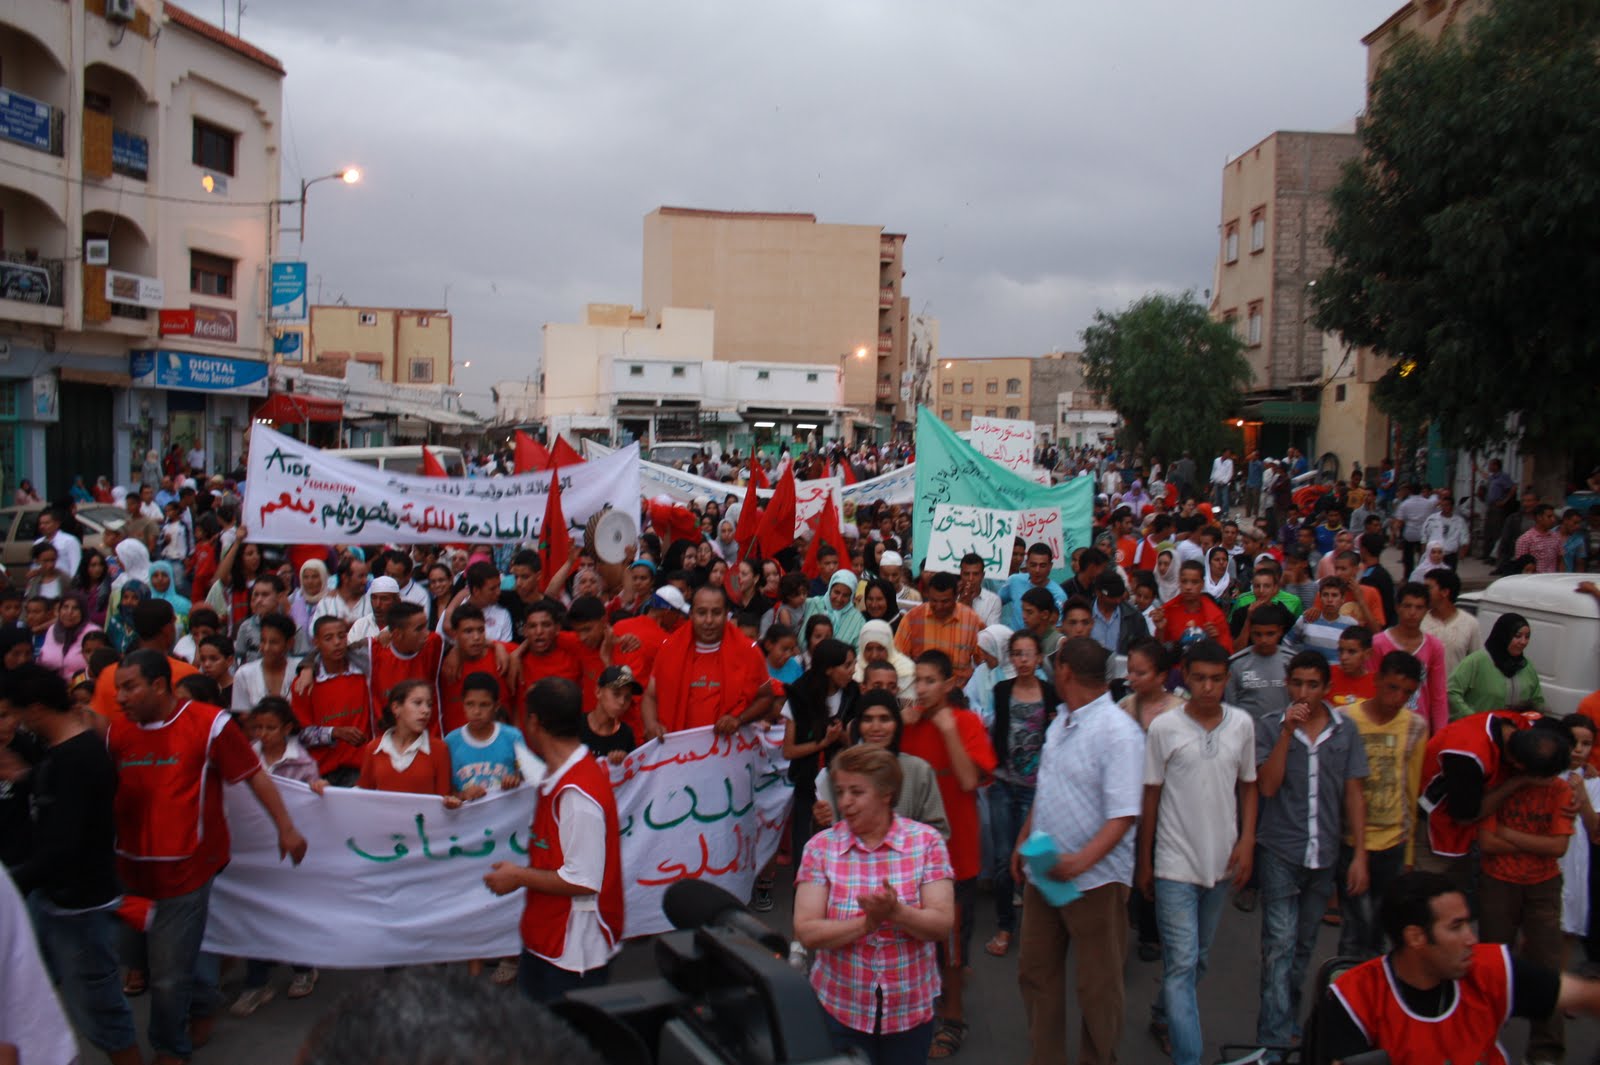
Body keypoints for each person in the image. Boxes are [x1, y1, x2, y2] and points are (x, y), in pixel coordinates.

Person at [108, 648, 308, 1063]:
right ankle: (202, 1004)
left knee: (167, 974)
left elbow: (253, 775)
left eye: (130, 688)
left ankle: (170, 1048)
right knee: (141, 961)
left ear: (159, 685)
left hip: (188, 871)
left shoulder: (210, 724)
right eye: (117, 690)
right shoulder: (116, 733)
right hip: (130, 873)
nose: (121, 698)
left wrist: (286, 828)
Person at [1012, 638, 1144, 1065]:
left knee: (1098, 987)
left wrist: (1080, 862)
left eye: (1055, 664)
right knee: (1036, 972)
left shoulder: (1119, 731)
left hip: (1096, 881)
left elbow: (1124, 815)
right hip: (1046, 870)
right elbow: (1048, 787)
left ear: (1066, 671)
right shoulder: (1061, 721)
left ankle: (1098, 1058)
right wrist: (1023, 840)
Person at [4, 663, 140, 1065]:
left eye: (13, 712)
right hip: (64, 900)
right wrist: (27, 779)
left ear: (35, 710)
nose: (14, 723)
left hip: (81, 904)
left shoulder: (77, 757)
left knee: (101, 1008)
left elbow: (65, 841)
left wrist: (11, 883)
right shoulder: (61, 753)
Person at [1320, 871, 1600, 1065]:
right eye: (1456, 927)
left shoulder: (1491, 968)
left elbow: (1586, 995)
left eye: (1468, 923)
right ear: (1416, 937)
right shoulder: (1355, 998)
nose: (1471, 938)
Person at [793, 744, 955, 1065]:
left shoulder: (926, 843)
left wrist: (897, 913)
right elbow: (807, 931)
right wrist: (867, 924)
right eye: (840, 791)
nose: (844, 802)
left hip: (909, 1010)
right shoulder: (820, 848)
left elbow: (941, 923)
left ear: (886, 795)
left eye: (856, 792)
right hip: (840, 1007)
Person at [1136, 639, 1257, 1065]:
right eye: (1200, 678)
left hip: (1221, 862)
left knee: (1197, 961)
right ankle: (1189, 1057)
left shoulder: (1242, 724)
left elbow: (1249, 786)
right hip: (1173, 862)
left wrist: (1246, 842)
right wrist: (1145, 861)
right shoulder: (1165, 728)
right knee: (1184, 962)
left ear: (1227, 680)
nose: (1208, 687)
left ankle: (1162, 1013)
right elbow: (1150, 795)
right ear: (1184, 677)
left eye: (1217, 679)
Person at [1253, 650, 1369, 1051]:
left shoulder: (1345, 731)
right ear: (1288, 684)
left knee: (1302, 947)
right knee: (1279, 945)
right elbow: (1267, 787)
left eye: (1313, 685)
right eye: (1297, 683)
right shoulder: (1270, 727)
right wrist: (1287, 733)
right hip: (1280, 851)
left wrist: (1361, 855)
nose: (1304, 692)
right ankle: (1273, 1040)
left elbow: (1354, 793)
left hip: (1325, 854)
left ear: (1327, 688)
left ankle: (1286, 1019)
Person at [484, 677, 625, 1003]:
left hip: (572, 955)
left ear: (534, 722)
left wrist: (516, 876)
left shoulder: (578, 795)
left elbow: (585, 879)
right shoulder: (561, 772)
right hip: (545, 940)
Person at [900, 650, 996, 1057]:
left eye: (929, 681)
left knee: (952, 943)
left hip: (955, 854)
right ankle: (919, 1006)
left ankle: (953, 1018)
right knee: (911, 935)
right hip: (908, 854)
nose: (921, 689)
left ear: (949, 684)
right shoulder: (904, 724)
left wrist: (948, 730)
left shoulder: (966, 722)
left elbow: (970, 779)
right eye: (916, 680)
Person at [1476, 724, 1576, 1065]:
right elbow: (1486, 840)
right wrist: (1515, 786)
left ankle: (1546, 1053)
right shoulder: (1502, 778)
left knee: (1547, 968)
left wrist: (1508, 832)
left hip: (1543, 886)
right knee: (1490, 965)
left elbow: (1558, 847)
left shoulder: (1561, 790)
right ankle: (1479, 1042)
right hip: (1497, 883)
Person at [230, 697, 323, 1016]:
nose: (264, 734)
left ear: (287, 728)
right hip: (256, 852)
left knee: (290, 911)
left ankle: (303, 967)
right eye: (258, 728)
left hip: (289, 850)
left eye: (271, 728)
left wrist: (318, 788)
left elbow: (314, 798)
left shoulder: (302, 762)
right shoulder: (246, 757)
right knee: (256, 912)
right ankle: (257, 981)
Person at [1339, 651, 1428, 960]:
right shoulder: (1347, 719)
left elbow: (1411, 788)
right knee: (1355, 927)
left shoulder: (1415, 726)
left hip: (1393, 841)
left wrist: (1409, 853)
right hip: (1352, 840)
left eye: (1407, 692)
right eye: (1392, 687)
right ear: (1376, 680)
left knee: (1380, 928)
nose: (1398, 698)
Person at [1415, 709, 1543, 887]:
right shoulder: (1467, 754)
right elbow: (1464, 817)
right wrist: (1517, 782)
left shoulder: (1517, 725)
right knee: (1430, 895)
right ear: (1518, 765)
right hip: (1437, 828)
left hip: (1469, 835)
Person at [982, 630, 1051, 958]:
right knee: (1001, 858)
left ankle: (1043, 929)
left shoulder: (1051, 695)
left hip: (1036, 791)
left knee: (1033, 858)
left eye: (1029, 654)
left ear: (1039, 658)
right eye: (1017, 654)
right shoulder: (1001, 690)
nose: (1023, 660)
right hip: (1003, 785)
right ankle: (1005, 925)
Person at [813, 690, 951, 840]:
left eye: (884, 719)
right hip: (853, 861)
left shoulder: (919, 770)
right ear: (858, 725)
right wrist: (821, 820)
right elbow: (829, 833)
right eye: (868, 719)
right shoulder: (842, 770)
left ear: (896, 724)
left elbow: (938, 831)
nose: (876, 727)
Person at [780, 638, 860, 895]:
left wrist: (842, 738)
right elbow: (789, 750)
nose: (852, 670)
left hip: (845, 789)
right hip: (808, 789)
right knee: (807, 859)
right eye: (847, 665)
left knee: (844, 861)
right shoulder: (798, 695)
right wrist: (823, 742)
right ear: (828, 669)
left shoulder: (853, 694)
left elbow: (857, 743)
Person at [641, 585, 774, 738]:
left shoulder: (749, 651)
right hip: (677, 750)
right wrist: (651, 724)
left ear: (726, 615)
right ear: (691, 614)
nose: (709, 620)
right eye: (702, 613)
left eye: (716, 613)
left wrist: (739, 719)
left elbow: (766, 697)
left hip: (727, 751)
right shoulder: (670, 648)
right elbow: (650, 696)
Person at [291, 616, 374, 786]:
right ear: (316, 642)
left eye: (341, 636)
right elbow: (300, 733)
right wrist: (335, 732)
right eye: (328, 638)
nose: (337, 642)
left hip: (361, 767)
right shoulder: (304, 684)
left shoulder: (364, 674)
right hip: (321, 772)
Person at [359, 679, 459, 799]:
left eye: (429, 704)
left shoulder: (439, 749)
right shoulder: (374, 748)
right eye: (417, 703)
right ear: (396, 708)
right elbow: (363, 796)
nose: (426, 710)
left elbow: (443, 799)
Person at [1370, 582, 1450, 732]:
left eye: (1419, 607)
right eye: (1407, 606)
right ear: (1397, 607)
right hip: (1384, 725)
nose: (1412, 612)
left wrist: (1440, 734)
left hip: (1418, 728)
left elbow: (1438, 695)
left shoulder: (1434, 647)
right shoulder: (1378, 643)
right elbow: (1371, 687)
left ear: (1427, 610)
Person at [1446, 612, 1545, 721]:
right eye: (1517, 636)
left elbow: (1537, 702)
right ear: (1503, 635)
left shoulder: (1526, 667)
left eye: (1527, 637)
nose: (1523, 642)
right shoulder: (1477, 661)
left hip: (1514, 734)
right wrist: (1474, 718)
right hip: (1479, 732)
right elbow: (1451, 691)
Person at [894, 572, 984, 688]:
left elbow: (983, 661)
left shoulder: (972, 621)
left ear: (955, 596)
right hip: (920, 691)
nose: (939, 606)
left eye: (945, 601)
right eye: (934, 601)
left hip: (959, 693)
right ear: (927, 595)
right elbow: (897, 658)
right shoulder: (912, 619)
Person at [1225, 603, 1294, 723]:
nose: (1263, 640)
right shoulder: (1237, 664)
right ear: (1250, 631)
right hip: (1248, 733)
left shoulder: (1292, 662)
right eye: (1258, 634)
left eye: (1270, 634)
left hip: (1284, 731)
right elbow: (1231, 707)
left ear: (1280, 631)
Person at [1160, 559, 1233, 654]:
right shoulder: (1168, 611)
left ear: (1202, 584)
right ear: (1179, 582)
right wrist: (1160, 630)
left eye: (1194, 582)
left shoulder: (1215, 617)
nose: (1188, 587)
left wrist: (1215, 640)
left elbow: (1226, 653)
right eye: (1184, 581)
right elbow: (1160, 652)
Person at [1421, 567, 1481, 674]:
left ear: (1444, 592)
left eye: (1428, 588)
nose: (1423, 593)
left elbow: (1476, 664)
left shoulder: (1470, 624)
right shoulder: (1419, 621)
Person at [999, 542, 1067, 632]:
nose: (1037, 570)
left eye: (1042, 566)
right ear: (1026, 563)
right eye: (1033, 565)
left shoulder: (1059, 595)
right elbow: (996, 602)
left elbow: (1059, 628)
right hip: (1012, 640)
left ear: (1050, 566)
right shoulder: (1014, 581)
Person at [580, 666, 639, 763]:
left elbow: (632, 772)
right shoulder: (575, 725)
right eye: (616, 693)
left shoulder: (626, 735)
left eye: (627, 697)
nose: (622, 702)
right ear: (598, 692)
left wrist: (625, 761)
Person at [802, 569, 865, 649]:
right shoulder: (811, 604)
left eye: (845, 595)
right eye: (837, 592)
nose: (839, 599)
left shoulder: (857, 620)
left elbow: (859, 650)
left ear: (851, 597)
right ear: (829, 589)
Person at [1515, 503, 1563, 574]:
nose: (1553, 520)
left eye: (1553, 516)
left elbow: (1560, 561)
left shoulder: (1556, 537)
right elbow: (1521, 566)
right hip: (1535, 581)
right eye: (1549, 517)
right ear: (1539, 517)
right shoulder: (1525, 539)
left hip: (1552, 579)